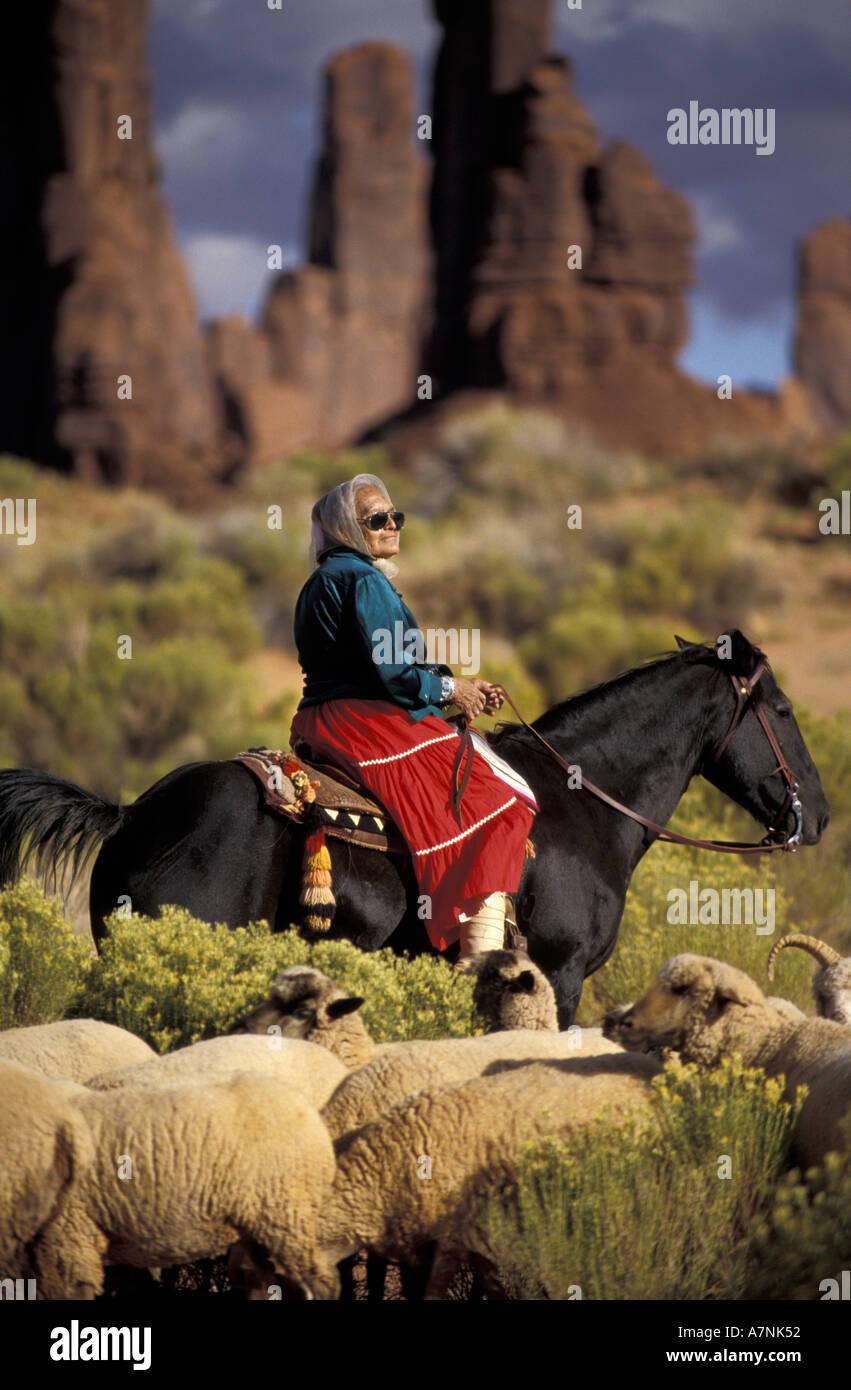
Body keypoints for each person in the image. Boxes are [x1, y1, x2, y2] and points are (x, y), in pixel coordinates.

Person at [289, 473, 538, 964]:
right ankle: (480, 967)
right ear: (347, 528)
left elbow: (380, 667)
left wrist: (458, 688)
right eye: (376, 519)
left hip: (319, 720)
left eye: (394, 516)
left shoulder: (321, 580)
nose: (391, 525)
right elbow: (394, 675)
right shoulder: (363, 579)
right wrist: (450, 688)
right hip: (367, 724)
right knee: (502, 807)